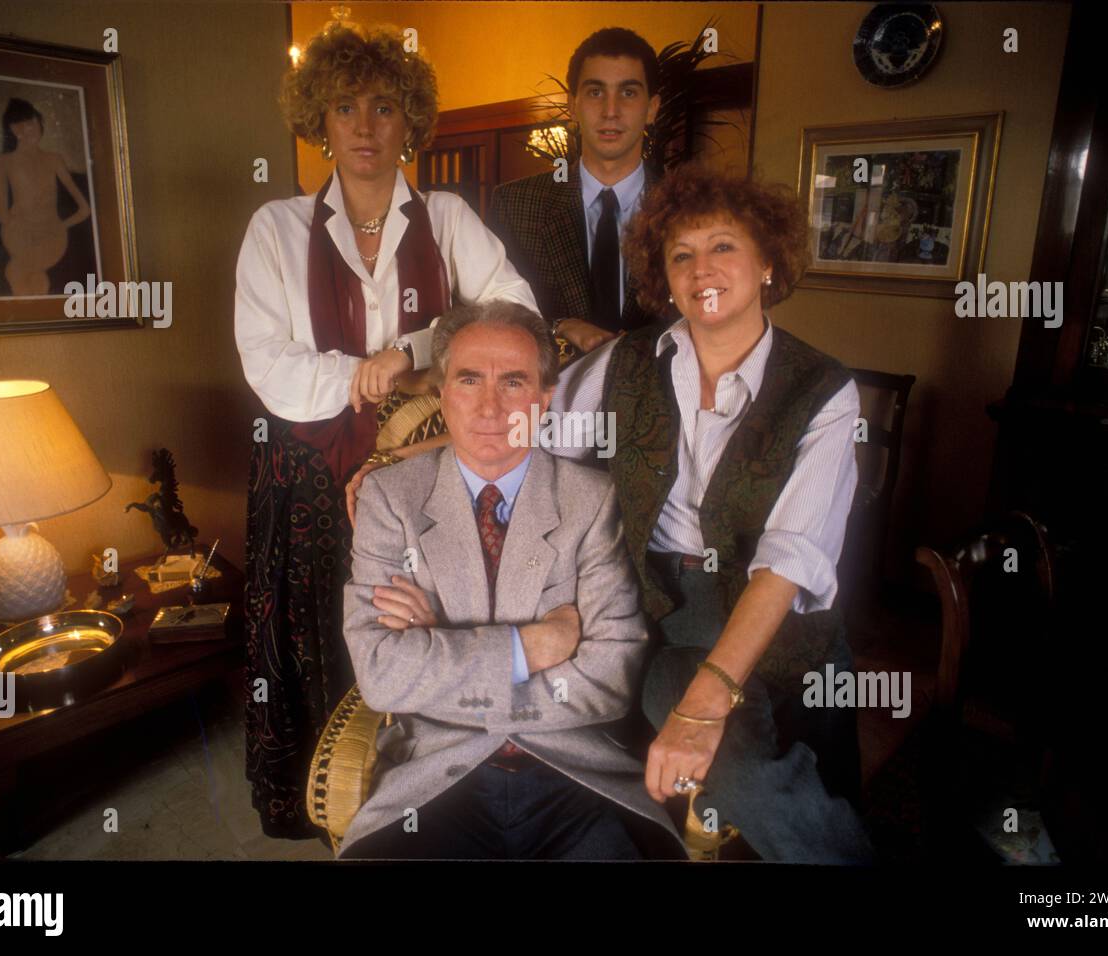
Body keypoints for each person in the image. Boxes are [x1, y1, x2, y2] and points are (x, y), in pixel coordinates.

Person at [233, 21, 536, 839]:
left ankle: (430, 799)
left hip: (429, 463)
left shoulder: (447, 217)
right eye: (343, 108)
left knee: (422, 620)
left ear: (412, 121)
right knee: (318, 636)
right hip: (305, 472)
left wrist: (411, 351)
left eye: (383, 107)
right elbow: (272, 368)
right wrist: (361, 375)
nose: (364, 128)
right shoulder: (276, 228)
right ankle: (332, 807)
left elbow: (517, 317)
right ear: (318, 121)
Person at [543, 163, 875, 863]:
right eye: (681, 255)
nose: (703, 270)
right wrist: (404, 460)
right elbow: (526, 431)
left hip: (773, 609)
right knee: (724, 754)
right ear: (664, 278)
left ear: (767, 263)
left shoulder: (823, 390)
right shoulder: (626, 362)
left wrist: (704, 704)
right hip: (658, 598)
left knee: (723, 739)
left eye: (723, 246)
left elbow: (789, 562)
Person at [337, 300, 685, 860]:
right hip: (436, 779)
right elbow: (381, 674)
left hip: (574, 778)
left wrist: (438, 651)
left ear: (544, 399)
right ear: (443, 392)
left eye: (514, 382)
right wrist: (534, 646)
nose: (490, 406)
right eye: (469, 379)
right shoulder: (389, 499)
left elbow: (610, 679)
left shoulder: (593, 500)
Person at [487, 27, 663, 355]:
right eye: (596, 92)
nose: (611, 110)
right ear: (573, 104)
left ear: (652, 108)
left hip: (661, 396)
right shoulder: (516, 204)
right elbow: (491, 310)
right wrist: (557, 326)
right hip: (549, 396)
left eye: (628, 93)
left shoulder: (686, 209)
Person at [0, 97, 91, 295]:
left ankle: (28, 287)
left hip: (52, 237)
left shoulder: (53, 159)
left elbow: (85, 209)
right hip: (19, 234)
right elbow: (2, 213)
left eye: (34, 123)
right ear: (13, 130)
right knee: (24, 275)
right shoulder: (3, 161)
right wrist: (21, 228)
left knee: (29, 275)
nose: (31, 130)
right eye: (23, 126)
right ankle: (22, 287)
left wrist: (59, 226)